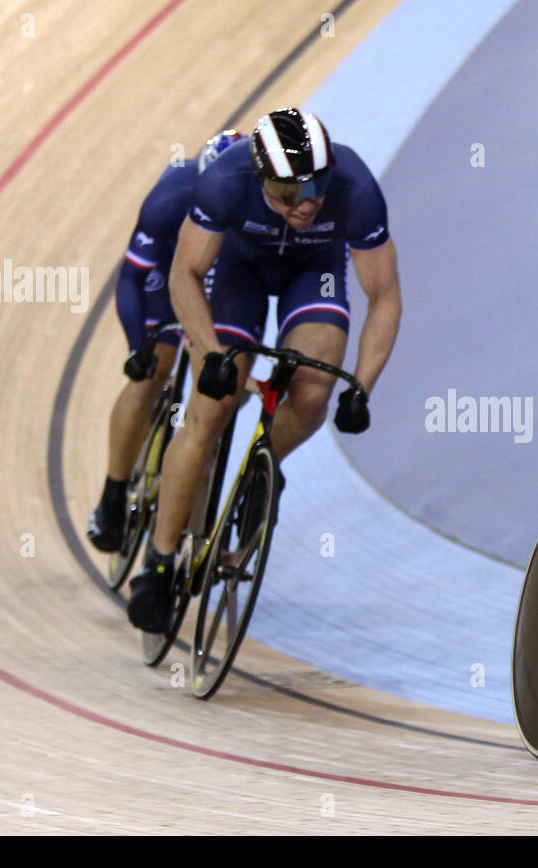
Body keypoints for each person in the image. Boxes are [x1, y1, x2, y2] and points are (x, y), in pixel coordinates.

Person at [127, 107, 402, 633]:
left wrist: (362, 388)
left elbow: (385, 297)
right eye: (288, 195)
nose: (307, 204)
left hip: (312, 273)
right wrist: (210, 355)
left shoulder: (356, 187)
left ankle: (264, 468)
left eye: (317, 188)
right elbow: (186, 274)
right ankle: (159, 567)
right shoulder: (225, 180)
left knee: (315, 389)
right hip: (240, 272)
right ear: (259, 178)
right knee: (209, 410)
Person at [87, 130, 246, 551]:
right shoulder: (171, 195)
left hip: (220, 273)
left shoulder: (252, 203)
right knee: (150, 375)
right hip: (165, 270)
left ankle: (187, 517)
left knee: (216, 392)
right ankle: (113, 494)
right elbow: (131, 278)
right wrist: (138, 346)